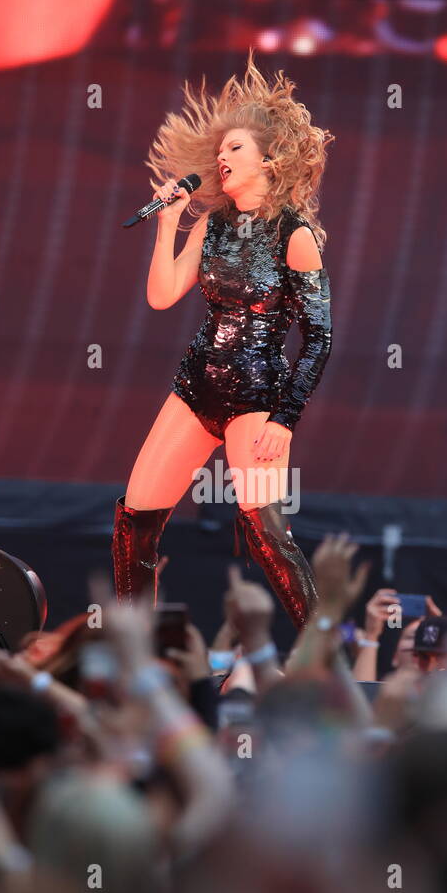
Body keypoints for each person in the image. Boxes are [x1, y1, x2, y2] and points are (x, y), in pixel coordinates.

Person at [113, 51, 334, 627]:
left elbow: (320, 337)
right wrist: (168, 225)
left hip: (259, 400)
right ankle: (135, 660)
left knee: (264, 531)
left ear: (269, 159)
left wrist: (285, 420)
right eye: (221, 149)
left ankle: (322, 660)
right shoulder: (210, 225)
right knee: (135, 518)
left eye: (235, 147)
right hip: (196, 387)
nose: (222, 156)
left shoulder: (296, 234)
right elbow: (162, 296)